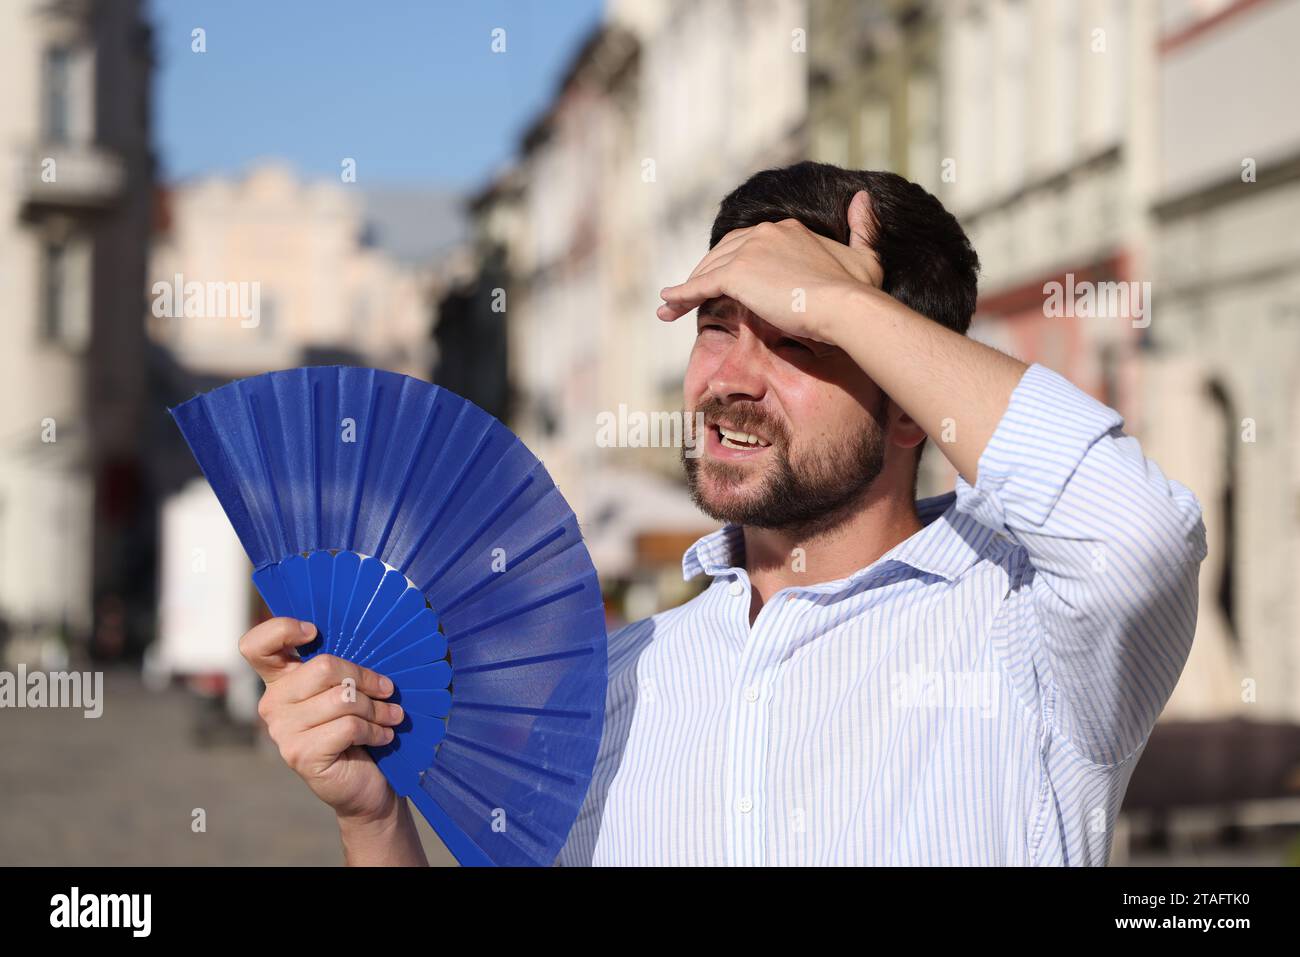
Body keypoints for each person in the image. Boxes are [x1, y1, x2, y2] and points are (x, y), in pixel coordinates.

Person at [239, 162, 1206, 866]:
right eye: (715, 324)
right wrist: (373, 823)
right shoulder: (610, 682)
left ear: (910, 396)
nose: (729, 379)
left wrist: (849, 306)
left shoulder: (1029, 629)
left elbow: (1141, 532)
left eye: (795, 334)